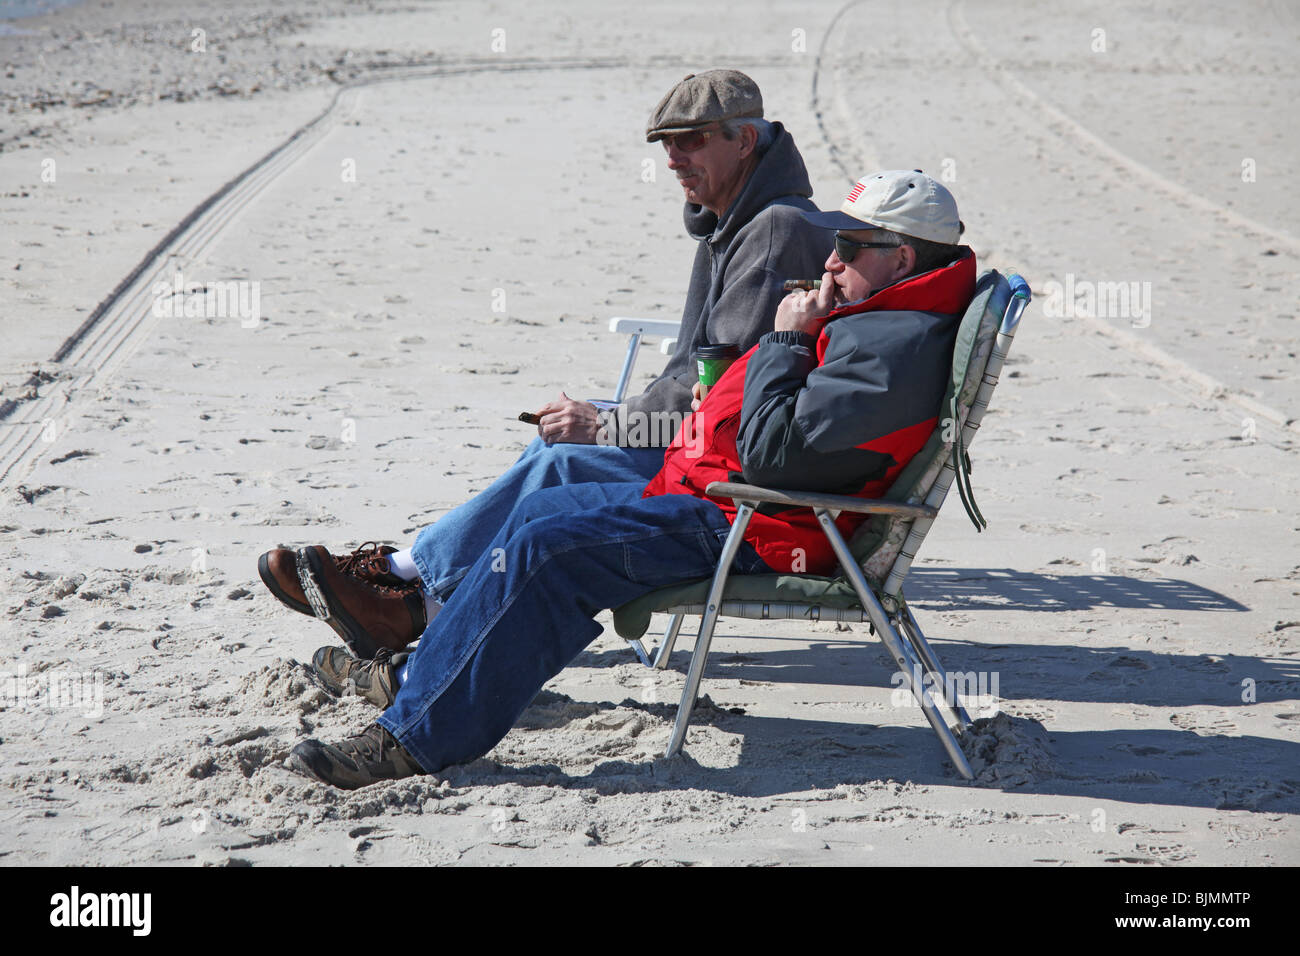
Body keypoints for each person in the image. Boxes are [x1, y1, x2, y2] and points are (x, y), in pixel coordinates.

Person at [284, 169, 977, 788]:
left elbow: (773, 456)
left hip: (755, 525)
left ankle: (410, 740)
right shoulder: (888, 321)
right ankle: (415, 675)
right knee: (539, 509)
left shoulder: (891, 354)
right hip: (721, 500)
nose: (830, 260)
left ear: (903, 258)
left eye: (850, 249)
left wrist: (789, 337)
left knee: (546, 553)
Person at [257, 69, 830, 657]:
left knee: (565, 454)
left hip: (726, 470)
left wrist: (611, 423)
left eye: (692, 140)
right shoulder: (748, 220)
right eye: (665, 144)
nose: (673, 158)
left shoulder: (771, 232)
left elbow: (717, 393)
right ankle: (405, 582)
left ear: (746, 141)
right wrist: (611, 417)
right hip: (713, 441)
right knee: (557, 440)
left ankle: (409, 599)